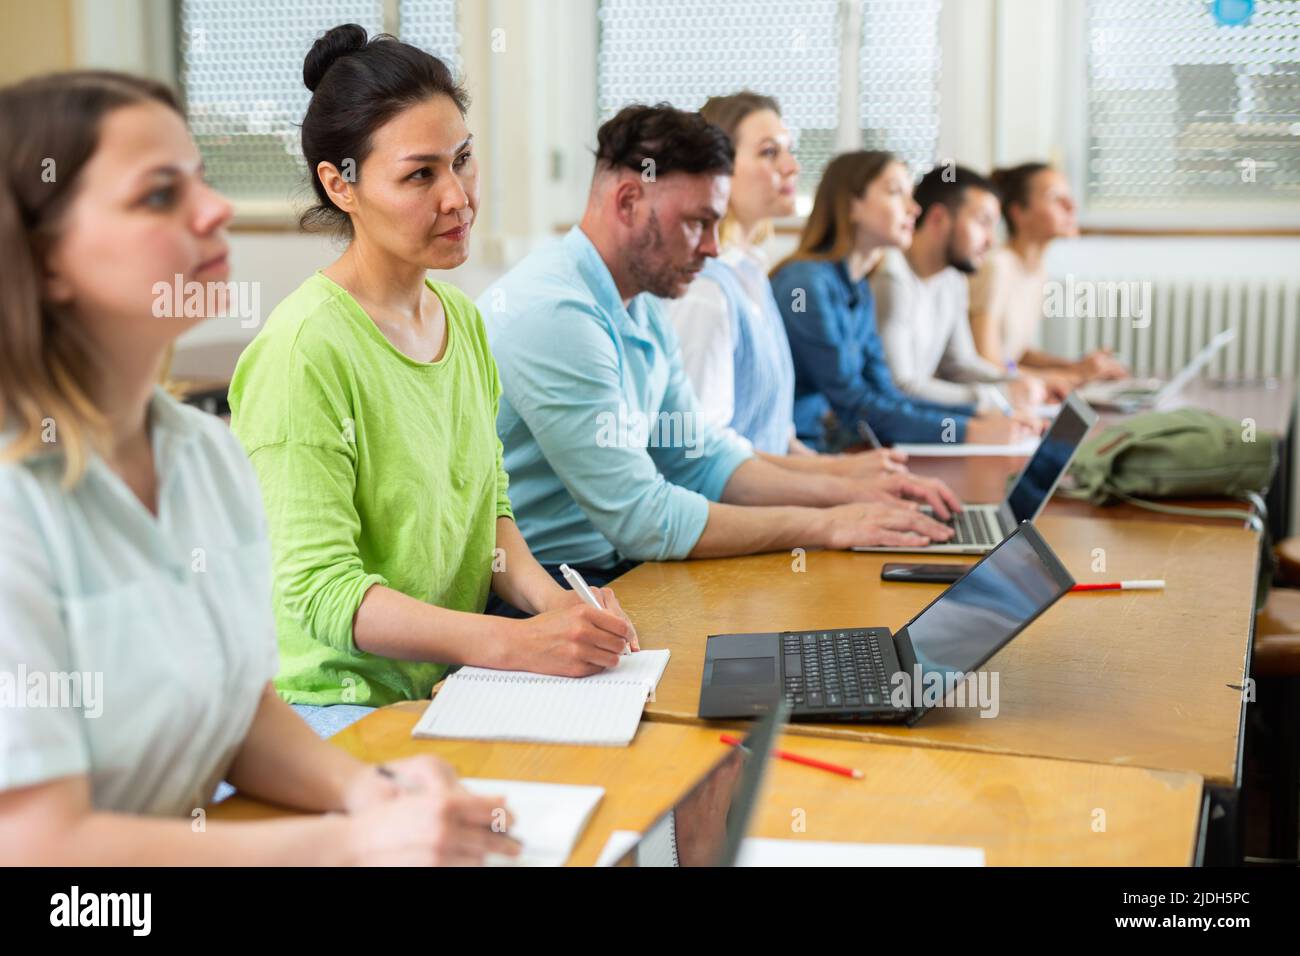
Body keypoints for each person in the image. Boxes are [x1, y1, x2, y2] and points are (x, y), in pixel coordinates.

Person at [0, 68, 516, 865]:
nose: (217, 211)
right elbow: (41, 849)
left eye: (202, 182)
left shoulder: (201, 453)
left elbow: (241, 711)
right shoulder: (14, 507)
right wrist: (349, 840)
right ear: (47, 260)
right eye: (158, 196)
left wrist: (369, 791)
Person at [228, 25, 637, 739]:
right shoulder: (303, 351)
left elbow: (490, 515)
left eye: (464, 160)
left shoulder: (463, 321)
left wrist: (554, 604)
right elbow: (324, 592)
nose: (459, 198)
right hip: (331, 706)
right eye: (421, 175)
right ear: (340, 184)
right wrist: (512, 644)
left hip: (444, 685)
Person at [480, 104, 959, 582]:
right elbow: (642, 519)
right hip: (550, 585)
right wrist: (826, 522)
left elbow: (699, 455)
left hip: (613, 567)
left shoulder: (642, 302)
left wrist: (846, 496)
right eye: (696, 222)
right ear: (627, 202)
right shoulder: (559, 313)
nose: (712, 247)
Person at [669, 90, 914, 482]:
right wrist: (835, 485)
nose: (792, 166)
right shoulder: (704, 290)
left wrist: (843, 472)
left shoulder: (751, 275)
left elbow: (773, 440)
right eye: (769, 153)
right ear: (716, 169)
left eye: (789, 150)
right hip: (734, 519)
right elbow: (700, 460)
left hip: (767, 497)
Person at [771, 151, 1040, 450]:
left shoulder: (857, 286)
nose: (913, 209)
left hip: (829, 445)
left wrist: (983, 418)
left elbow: (887, 392)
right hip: (804, 450)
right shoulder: (807, 286)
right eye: (895, 192)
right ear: (851, 205)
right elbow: (855, 404)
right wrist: (970, 430)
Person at [871, 163, 1047, 413]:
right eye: (983, 222)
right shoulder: (892, 277)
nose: (991, 240)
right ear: (938, 219)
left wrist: (1015, 381)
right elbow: (901, 385)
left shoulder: (952, 279)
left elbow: (960, 362)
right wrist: (994, 397)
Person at [969, 162, 1126, 394]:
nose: (1071, 205)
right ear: (1019, 213)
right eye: (1055, 198)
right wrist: (1067, 377)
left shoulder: (1037, 270)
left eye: (1068, 196)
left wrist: (1076, 367)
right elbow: (987, 361)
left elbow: (1014, 353)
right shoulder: (996, 267)